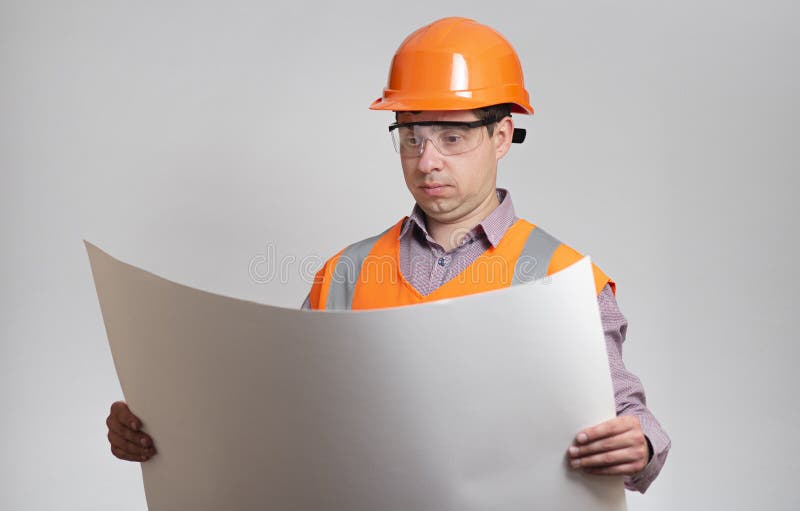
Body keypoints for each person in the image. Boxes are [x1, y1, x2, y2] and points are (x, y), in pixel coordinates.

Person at [105, 17, 670, 493]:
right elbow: (281, 412)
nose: (427, 161)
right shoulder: (345, 274)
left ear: (501, 135)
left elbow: (629, 413)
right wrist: (162, 429)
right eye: (411, 137)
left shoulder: (563, 277)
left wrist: (636, 442)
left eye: (453, 136)